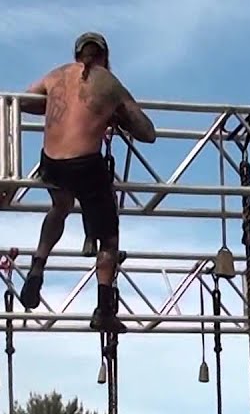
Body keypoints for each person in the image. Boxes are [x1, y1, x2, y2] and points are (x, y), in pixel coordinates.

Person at [17, 32, 156, 334]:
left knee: (61, 205)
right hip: (85, 163)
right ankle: (104, 309)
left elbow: (24, 101)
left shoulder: (56, 74)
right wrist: (115, 115)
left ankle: (38, 265)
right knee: (108, 239)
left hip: (51, 162)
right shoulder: (108, 83)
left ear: (77, 55)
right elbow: (148, 132)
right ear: (104, 56)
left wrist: (56, 104)